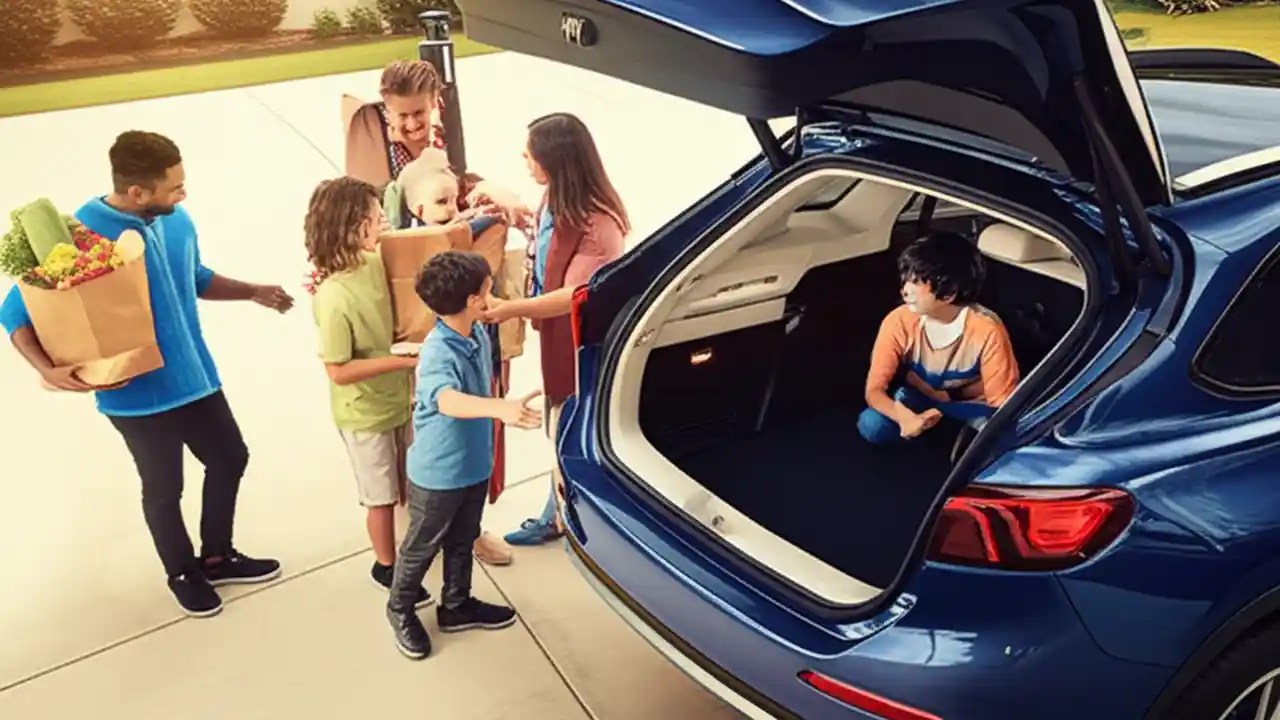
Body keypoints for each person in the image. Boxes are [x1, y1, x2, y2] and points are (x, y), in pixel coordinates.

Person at [0, 130, 294, 617]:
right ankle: (182, 572)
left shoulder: (177, 221)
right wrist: (48, 369)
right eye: (174, 187)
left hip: (196, 378)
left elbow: (195, 277)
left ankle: (217, 557)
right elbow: (16, 311)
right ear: (137, 192)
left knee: (229, 458)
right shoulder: (78, 234)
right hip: (136, 395)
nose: (183, 194)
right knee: (164, 489)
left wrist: (252, 290)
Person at [387, 251, 541, 660]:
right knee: (421, 547)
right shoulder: (439, 349)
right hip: (439, 475)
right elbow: (446, 399)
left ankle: (456, 605)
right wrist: (500, 407)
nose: (492, 293)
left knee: (463, 540)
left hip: (473, 464)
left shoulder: (474, 331)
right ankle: (399, 607)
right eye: (488, 288)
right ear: (473, 300)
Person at [483, 113, 629, 547]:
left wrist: (510, 308)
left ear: (554, 161)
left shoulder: (598, 224)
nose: (525, 162)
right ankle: (559, 510)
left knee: (567, 425)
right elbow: (543, 238)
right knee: (558, 422)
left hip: (580, 342)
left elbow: (574, 296)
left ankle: (562, 516)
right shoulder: (554, 199)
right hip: (555, 338)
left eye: (531, 155)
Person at [304, 177, 436, 606]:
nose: (384, 219)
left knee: (404, 483)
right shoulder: (334, 296)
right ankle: (386, 566)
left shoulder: (375, 260)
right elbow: (338, 370)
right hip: (364, 415)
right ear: (356, 227)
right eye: (375, 215)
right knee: (380, 498)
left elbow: (417, 242)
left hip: (398, 399)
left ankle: (405, 552)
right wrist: (401, 362)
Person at [857, 231, 1020, 443]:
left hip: (965, 406)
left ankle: (952, 437)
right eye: (906, 280)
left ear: (948, 293)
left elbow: (1002, 402)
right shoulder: (898, 321)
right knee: (871, 424)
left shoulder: (987, 330)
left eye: (916, 283)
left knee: (991, 432)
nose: (905, 290)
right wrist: (902, 417)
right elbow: (875, 390)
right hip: (916, 399)